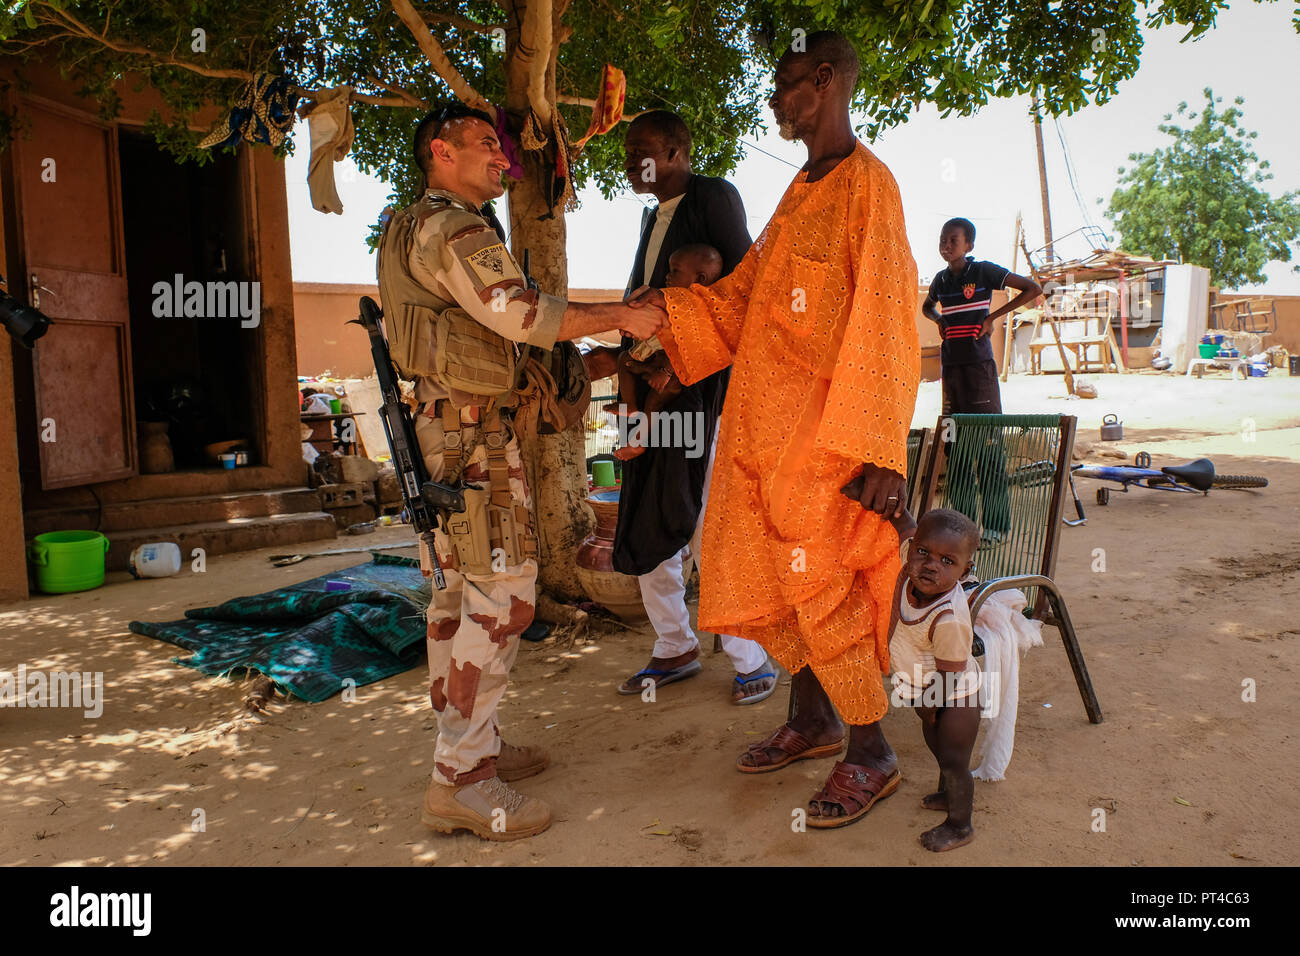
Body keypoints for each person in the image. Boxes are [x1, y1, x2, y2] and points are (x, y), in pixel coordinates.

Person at [629, 31, 922, 825]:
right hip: (763, 437)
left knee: (825, 592)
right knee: (787, 589)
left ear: (823, 82)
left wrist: (878, 452)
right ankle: (812, 719)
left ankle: (872, 753)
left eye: (785, 83)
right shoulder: (799, 192)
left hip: (830, 444)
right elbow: (742, 299)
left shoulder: (870, 187)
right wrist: (653, 321)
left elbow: (890, 322)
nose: (773, 99)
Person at [376, 103, 664, 841]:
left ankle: (471, 748)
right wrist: (623, 317)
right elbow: (521, 314)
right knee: (504, 599)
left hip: (439, 434)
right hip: (470, 444)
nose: (502, 159)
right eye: (483, 145)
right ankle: (463, 781)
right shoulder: (456, 227)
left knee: (453, 599)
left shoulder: (408, 225)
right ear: (440, 152)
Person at [591, 110, 774, 705]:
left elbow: (745, 290)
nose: (627, 162)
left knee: (706, 522)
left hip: (700, 394)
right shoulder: (653, 219)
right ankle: (675, 645)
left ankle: (750, 656)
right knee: (646, 512)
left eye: (638, 149)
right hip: (647, 395)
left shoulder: (712, 196)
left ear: (673, 150)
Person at [922, 218, 1042, 539]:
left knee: (987, 448)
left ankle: (997, 527)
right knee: (956, 448)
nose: (946, 246)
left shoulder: (983, 272)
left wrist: (992, 317)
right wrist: (939, 321)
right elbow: (927, 308)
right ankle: (962, 529)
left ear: (969, 245)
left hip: (979, 371)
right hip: (952, 372)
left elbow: (1033, 288)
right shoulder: (940, 280)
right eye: (942, 241)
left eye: (953, 241)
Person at [887, 508, 982, 852]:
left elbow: (948, 677)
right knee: (938, 750)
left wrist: (929, 709)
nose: (930, 565)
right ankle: (947, 795)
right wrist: (889, 502)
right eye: (923, 552)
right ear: (911, 549)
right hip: (924, 693)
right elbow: (902, 524)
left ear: (964, 571)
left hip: (953, 698)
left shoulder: (949, 619)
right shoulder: (909, 566)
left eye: (947, 561)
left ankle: (960, 825)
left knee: (955, 763)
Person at [611, 244, 723, 461]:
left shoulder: (699, 311)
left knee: (655, 400)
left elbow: (690, 346)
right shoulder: (669, 299)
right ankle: (630, 404)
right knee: (623, 360)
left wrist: (665, 370)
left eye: (675, 271)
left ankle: (639, 442)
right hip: (653, 358)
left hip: (674, 374)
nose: (667, 276)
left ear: (699, 278)